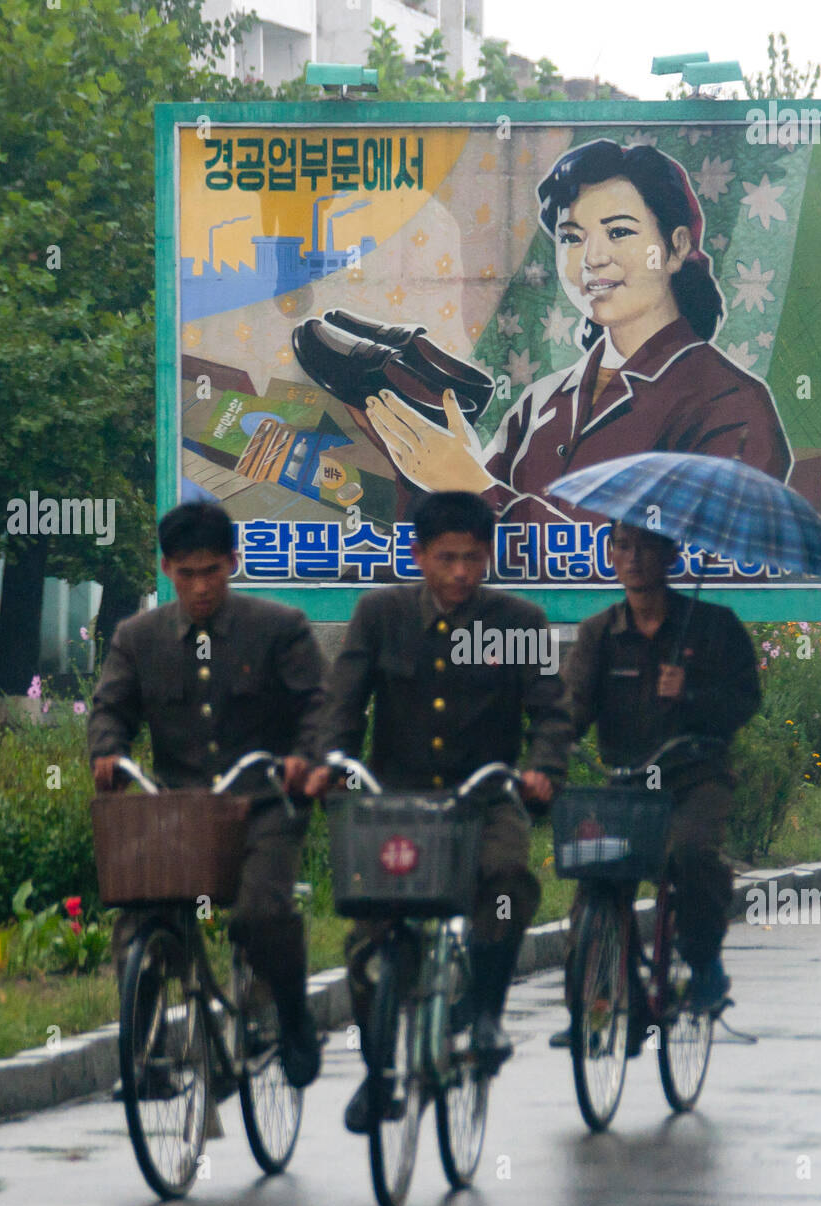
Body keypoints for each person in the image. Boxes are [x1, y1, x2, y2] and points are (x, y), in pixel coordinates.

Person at [303, 490, 572, 1133]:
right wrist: (331, 761)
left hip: (486, 799)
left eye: (473, 559)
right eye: (446, 558)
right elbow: (343, 704)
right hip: (397, 805)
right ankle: (377, 1074)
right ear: (418, 555)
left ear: (489, 557)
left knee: (507, 885)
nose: (460, 574)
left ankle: (483, 1010)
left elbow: (552, 713)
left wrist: (542, 770)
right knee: (369, 941)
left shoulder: (520, 622)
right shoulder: (379, 614)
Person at [356, 139, 793, 532]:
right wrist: (419, 465)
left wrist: (470, 483)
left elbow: (692, 563)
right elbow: (460, 548)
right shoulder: (541, 403)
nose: (592, 258)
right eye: (571, 237)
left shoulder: (732, 406)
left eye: (619, 232)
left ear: (676, 247)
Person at [88, 502, 327, 1087]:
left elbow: (320, 707)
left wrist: (305, 757)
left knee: (261, 913)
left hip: (264, 803)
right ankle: (144, 1054)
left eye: (213, 571)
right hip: (181, 811)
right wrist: (107, 752)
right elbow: (109, 708)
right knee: (139, 920)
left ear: (233, 563)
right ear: (167, 567)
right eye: (187, 573)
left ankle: (289, 1016)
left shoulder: (279, 627)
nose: (200, 587)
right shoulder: (137, 638)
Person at [550, 521, 761, 1049]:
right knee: (597, 876)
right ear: (611, 555)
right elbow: (573, 702)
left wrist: (690, 692)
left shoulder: (714, 626)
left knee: (690, 854)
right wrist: (548, 746)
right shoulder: (600, 632)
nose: (635, 558)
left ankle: (704, 961)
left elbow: (745, 702)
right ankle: (592, 1004)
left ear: (671, 556)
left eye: (647, 548)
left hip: (695, 777)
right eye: (624, 547)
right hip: (624, 781)